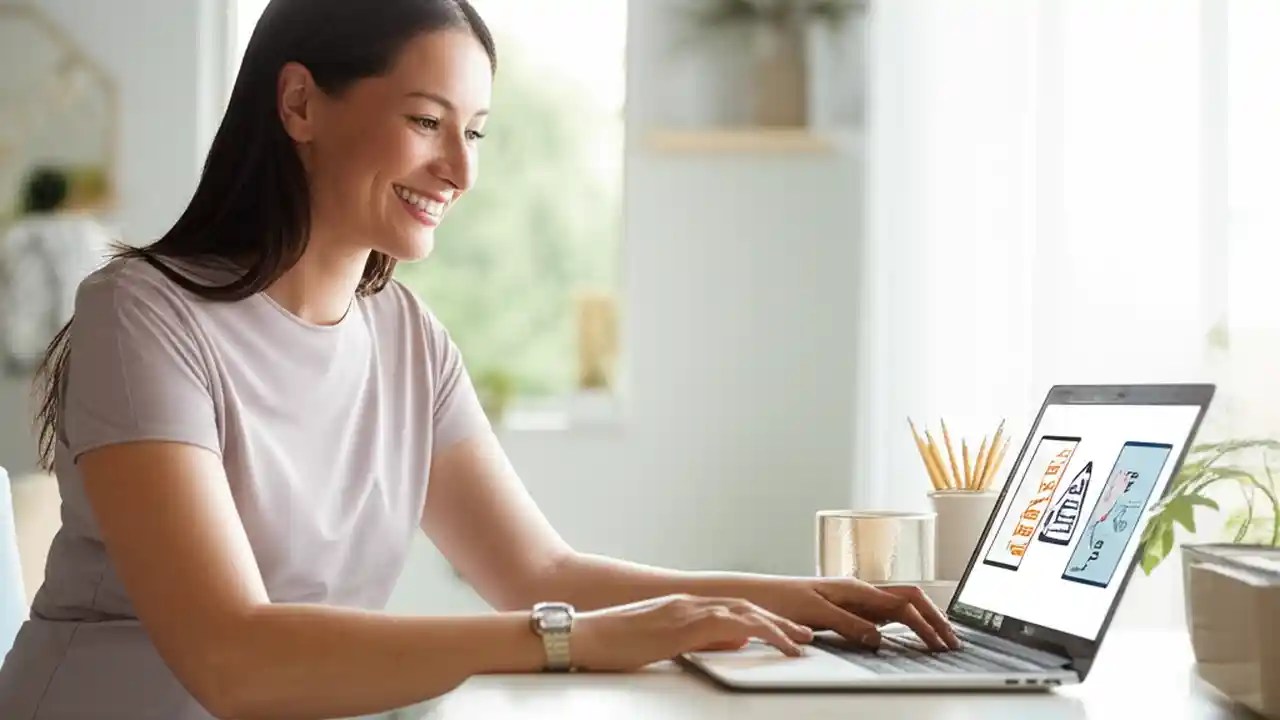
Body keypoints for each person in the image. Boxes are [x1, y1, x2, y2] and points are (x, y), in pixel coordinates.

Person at [0, 1, 959, 718]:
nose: (460, 171)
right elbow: (233, 655)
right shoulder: (142, 317)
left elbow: (540, 569)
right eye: (426, 121)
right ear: (299, 103)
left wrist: (803, 602)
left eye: (476, 133)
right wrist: (579, 642)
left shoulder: (406, 338)